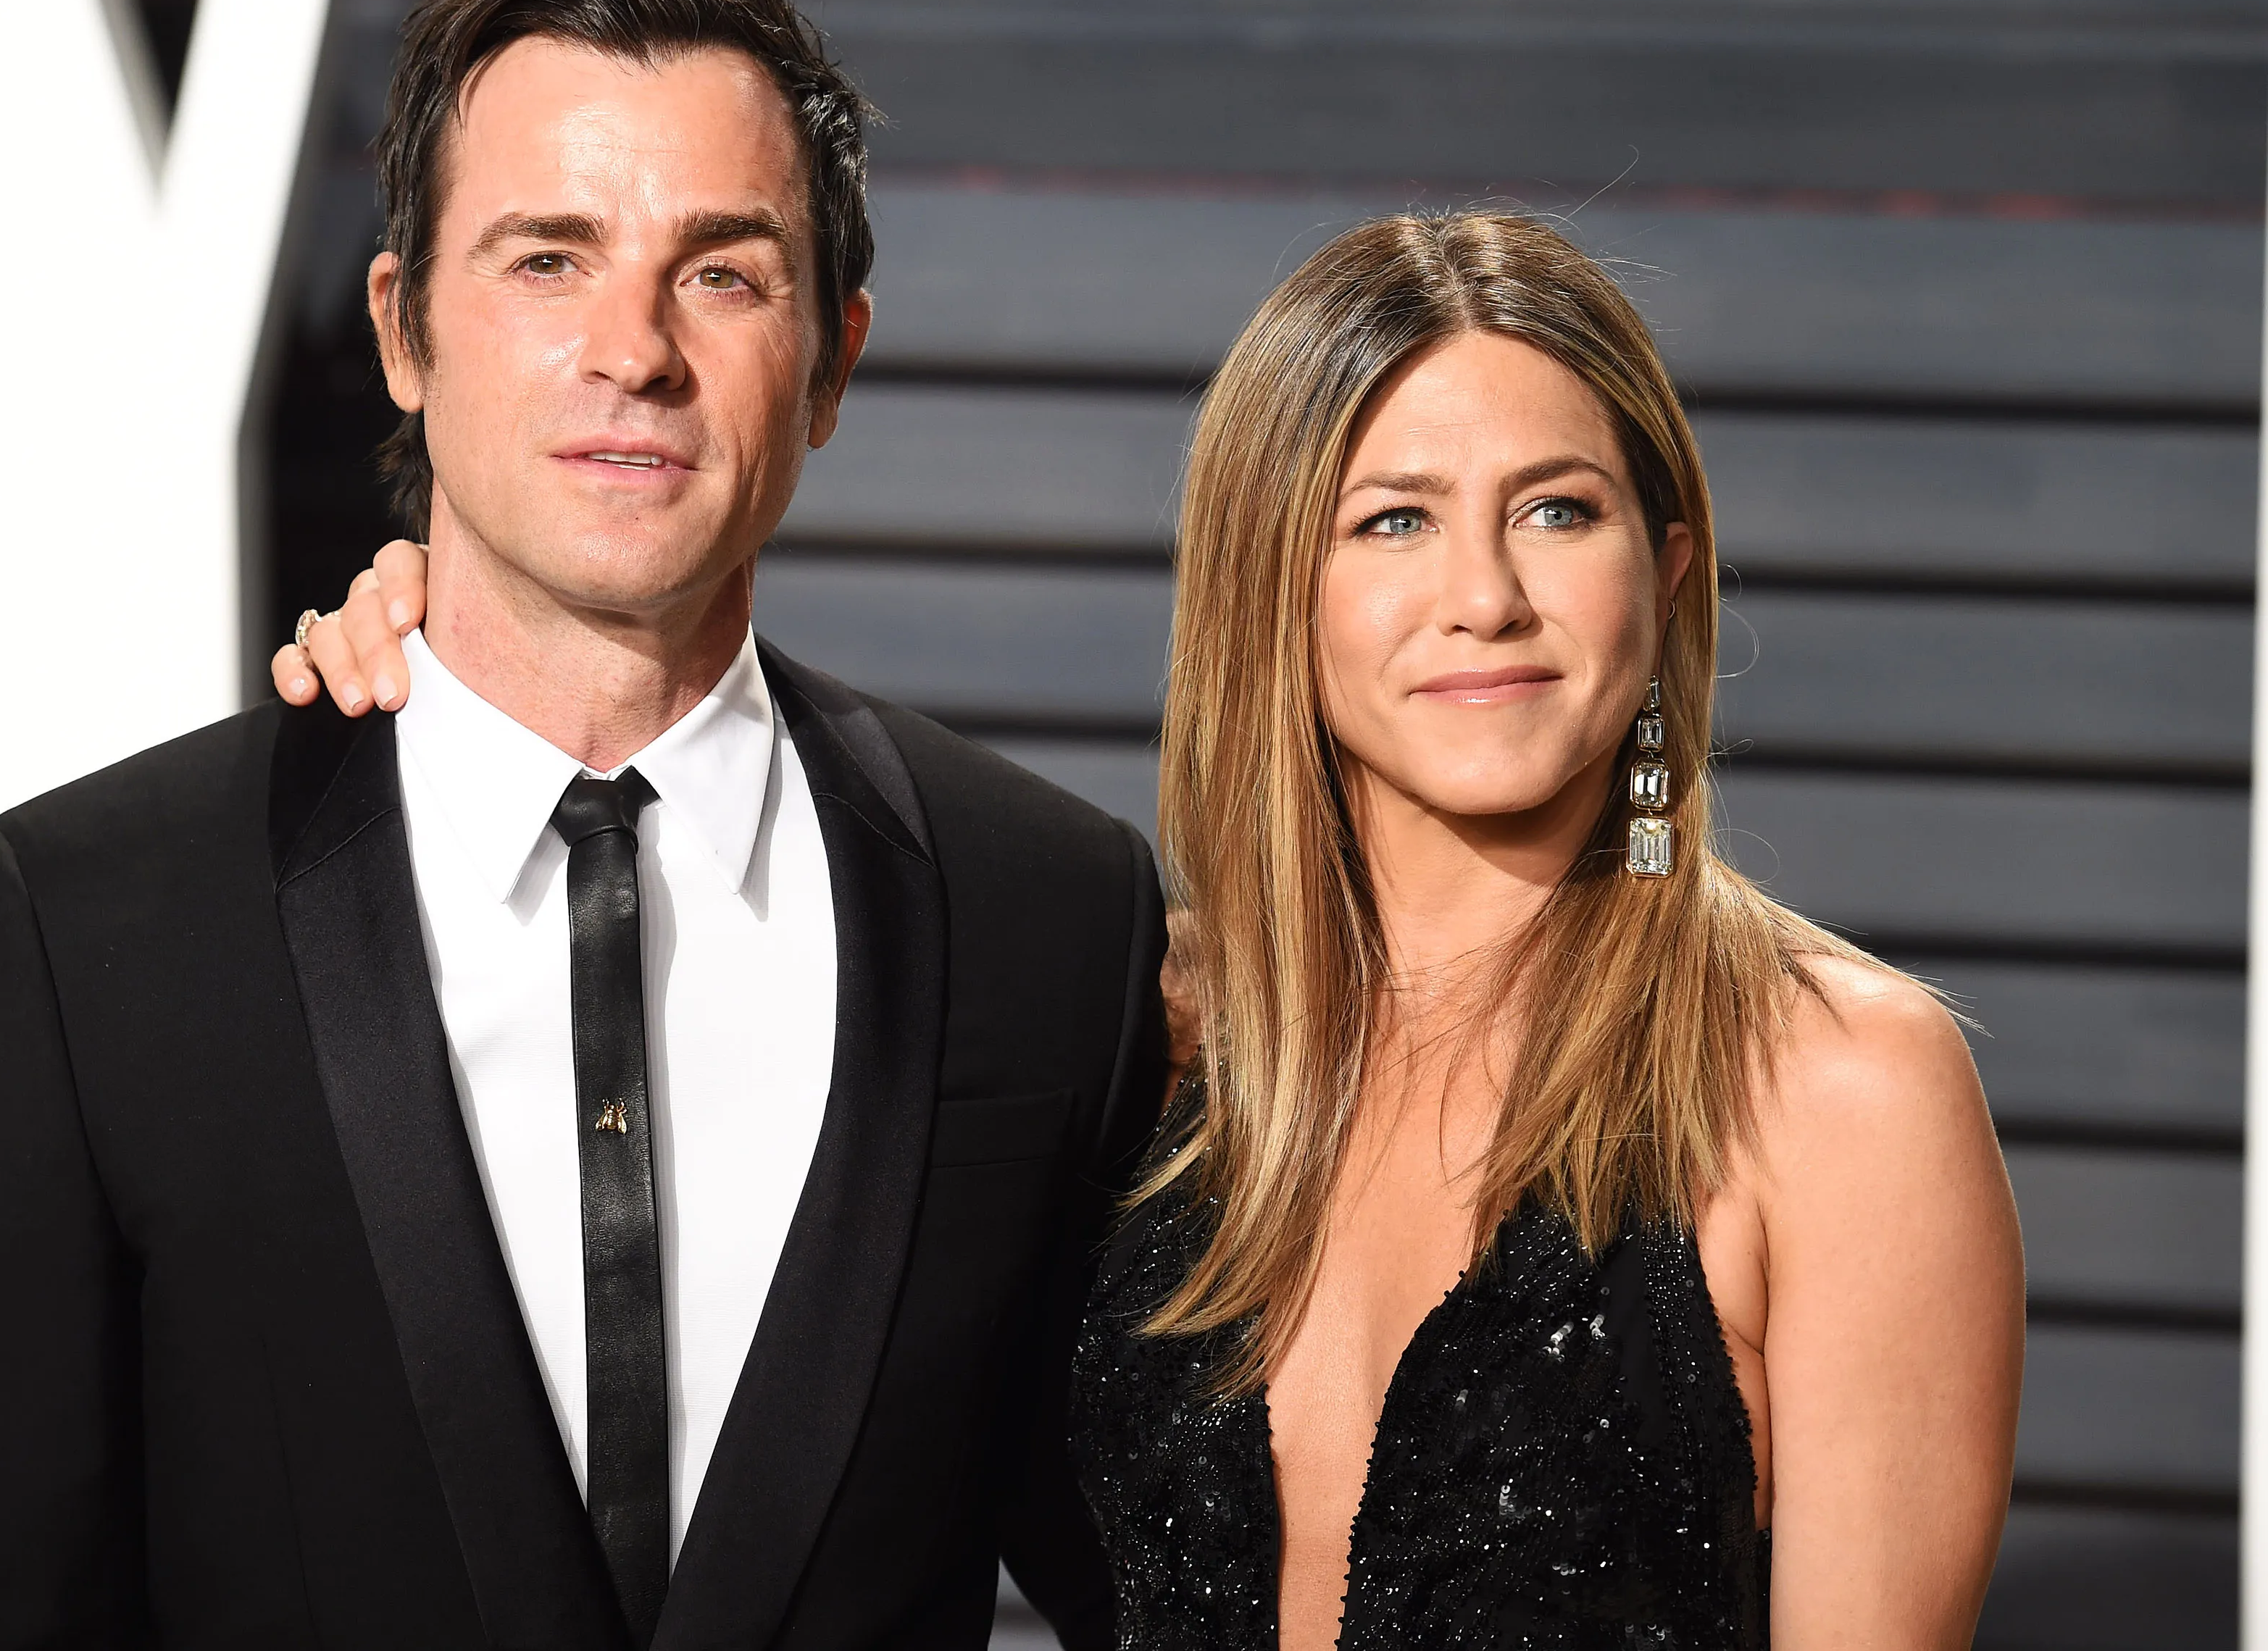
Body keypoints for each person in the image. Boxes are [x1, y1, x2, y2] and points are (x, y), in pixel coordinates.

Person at [296, 211, 2026, 1650]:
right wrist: (454, 633)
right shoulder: (1153, 1037)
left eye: (1556, 511)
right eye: (1392, 519)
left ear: (1663, 570)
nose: (1484, 595)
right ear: (1277, 588)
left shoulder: (1838, 1090)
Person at [0, 0, 1164, 1651]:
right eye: (547, 257)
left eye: (722, 269)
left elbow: (1181, 1587)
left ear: (835, 357)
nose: (634, 347)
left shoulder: (1051, 918)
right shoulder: (88, 931)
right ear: (405, 330)